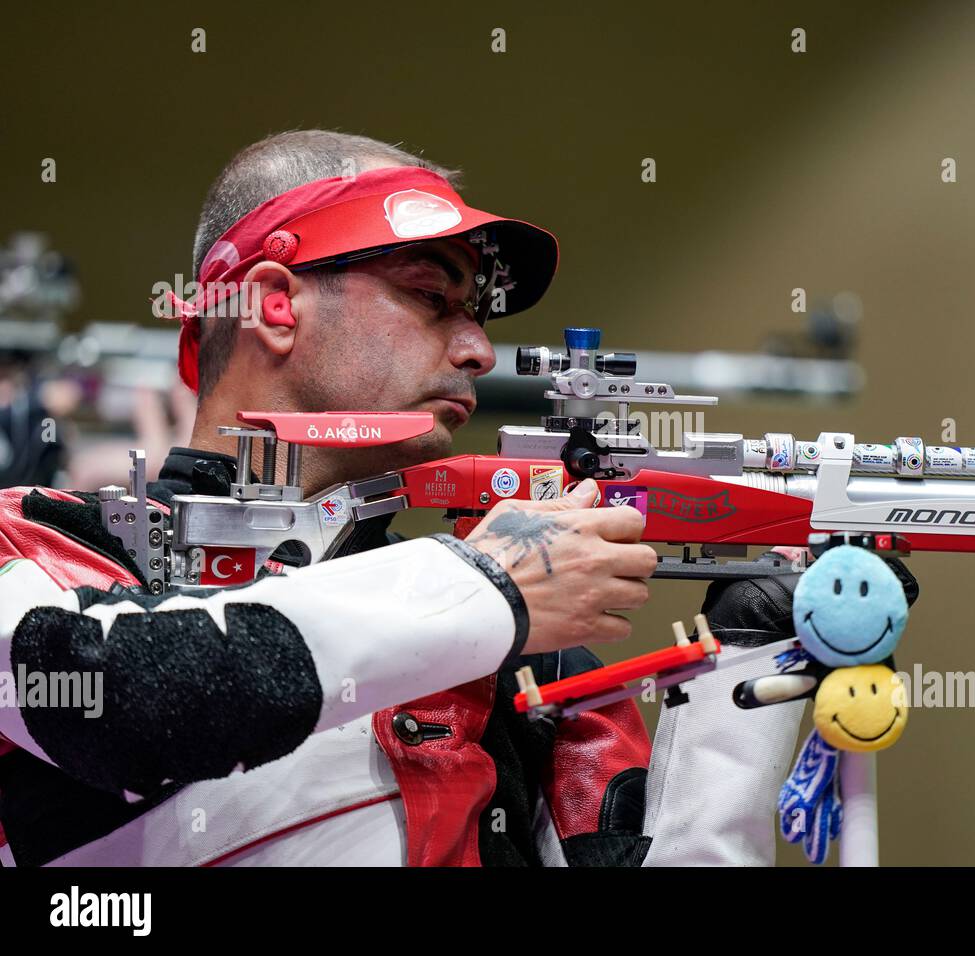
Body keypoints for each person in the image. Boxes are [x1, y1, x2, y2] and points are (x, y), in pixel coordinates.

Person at [0, 131, 809, 866]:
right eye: (433, 298)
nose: (480, 350)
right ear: (275, 305)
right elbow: (114, 699)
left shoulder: (520, 647)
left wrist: (752, 669)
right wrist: (488, 587)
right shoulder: (37, 543)